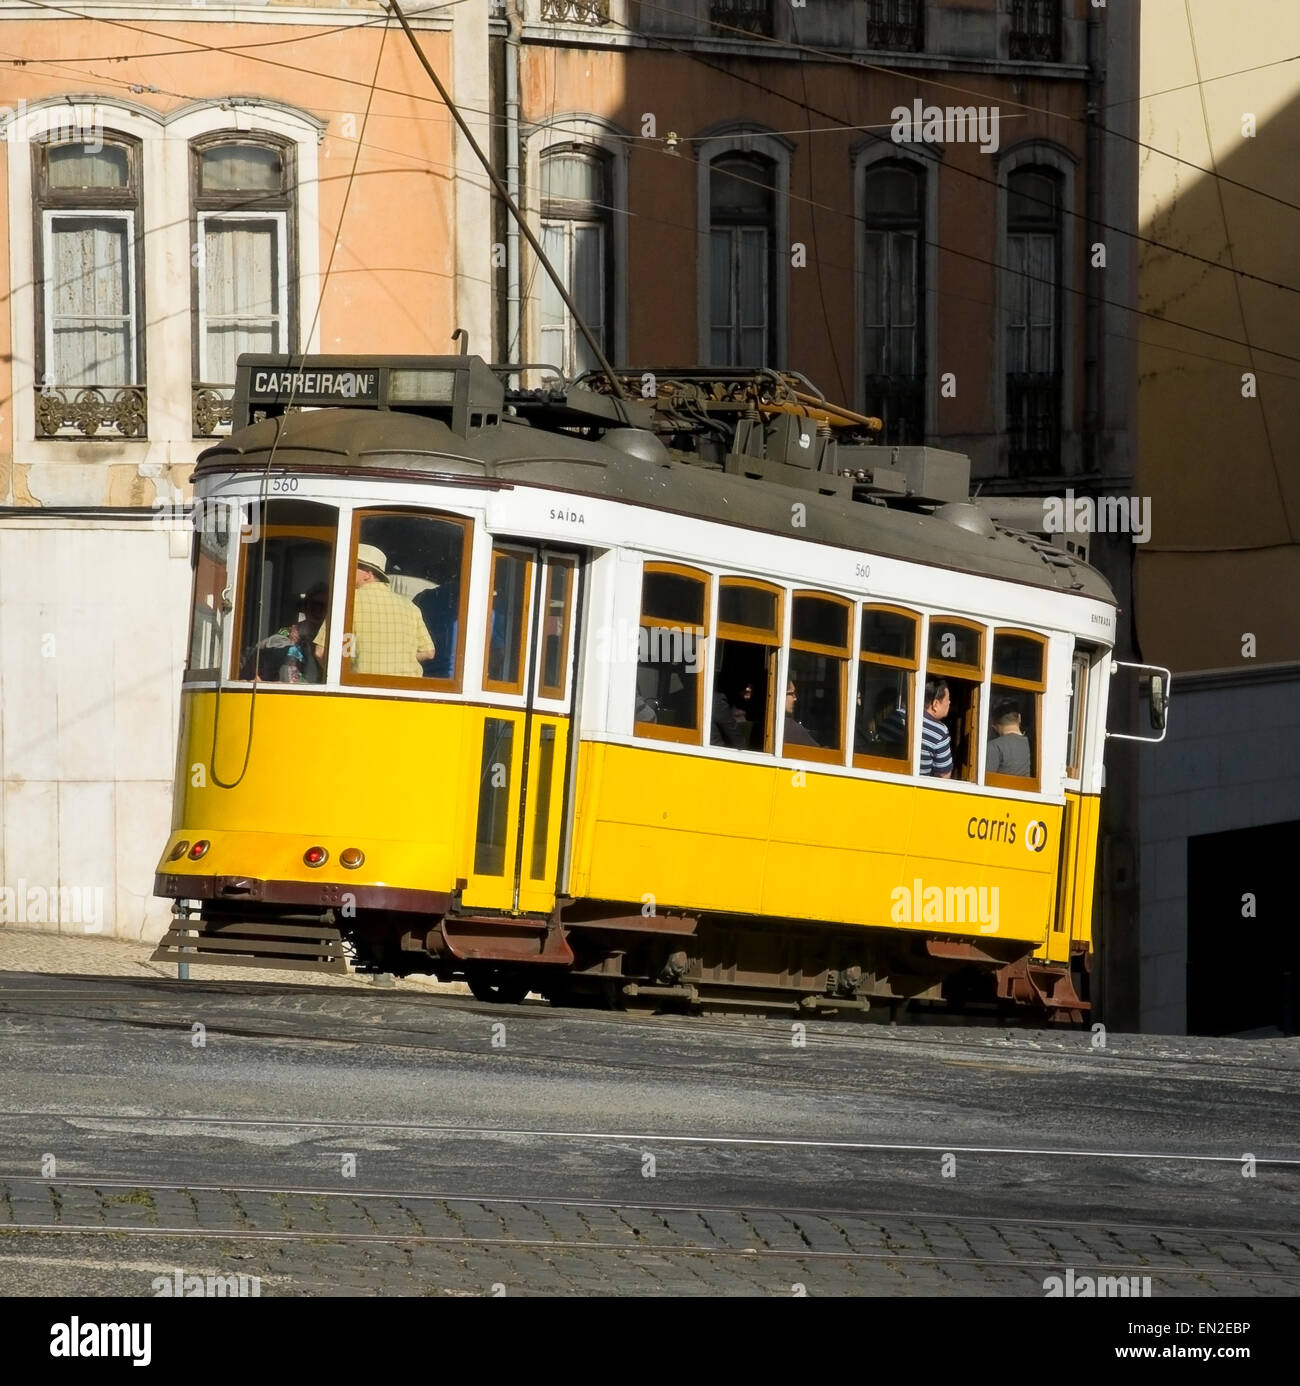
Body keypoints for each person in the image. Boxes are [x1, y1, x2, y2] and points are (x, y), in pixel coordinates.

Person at [313, 543, 434, 678]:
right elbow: (428, 652)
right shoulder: (411, 607)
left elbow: (320, 652)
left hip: (360, 689)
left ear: (367, 574)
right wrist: (395, 659)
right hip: (406, 691)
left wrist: (339, 678)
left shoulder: (346, 603)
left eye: (351, 567)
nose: (346, 572)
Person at [987, 698, 1032, 776]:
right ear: (1019, 718)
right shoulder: (1034, 746)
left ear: (993, 725)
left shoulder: (994, 746)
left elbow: (986, 781)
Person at [919, 678, 953, 778]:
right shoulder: (940, 731)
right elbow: (944, 775)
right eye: (947, 699)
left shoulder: (899, 713)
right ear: (935, 704)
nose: (949, 702)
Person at [782, 681, 818, 748]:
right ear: (781, 694)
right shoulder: (788, 726)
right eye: (792, 693)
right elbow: (819, 753)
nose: (795, 698)